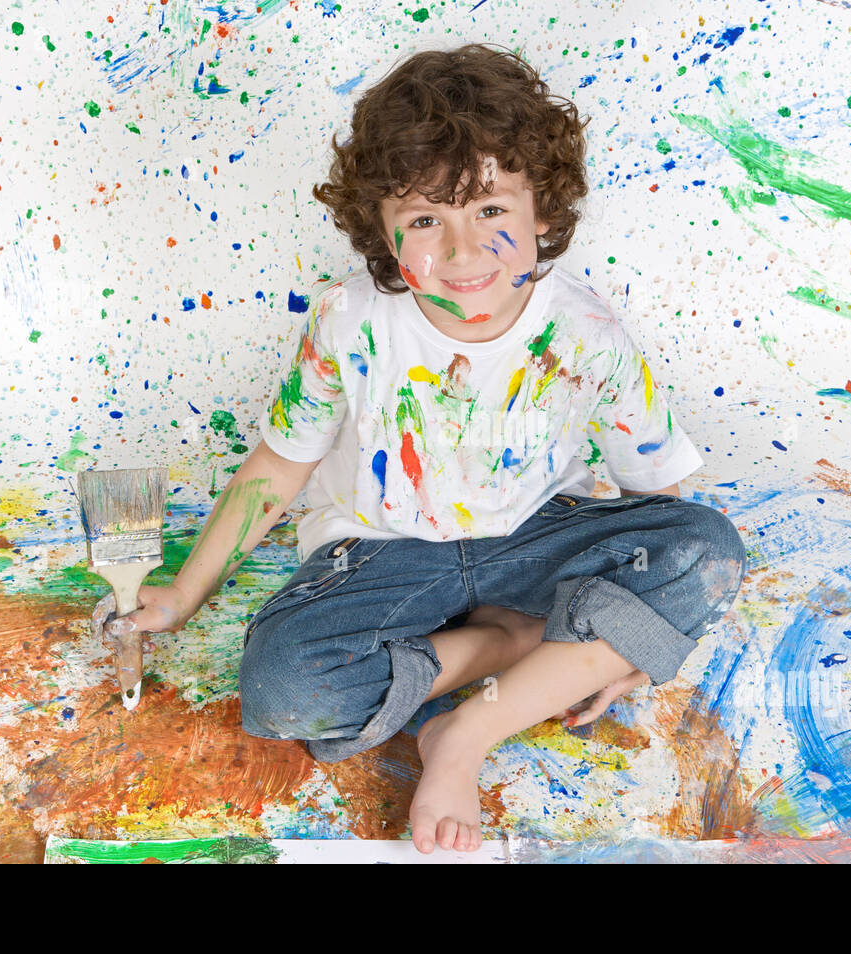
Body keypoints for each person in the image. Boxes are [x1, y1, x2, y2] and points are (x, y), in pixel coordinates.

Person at [91, 44, 746, 855]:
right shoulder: (350, 322)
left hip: (537, 539)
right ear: (385, 229)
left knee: (707, 550)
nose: (464, 253)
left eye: (492, 213)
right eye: (427, 221)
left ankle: (466, 733)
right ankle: (505, 643)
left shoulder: (589, 332)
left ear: (543, 211)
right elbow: (279, 465)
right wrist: (185, 593)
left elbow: (661, 511)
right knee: (284, 689)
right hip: (382, 554)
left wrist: (646, 620)